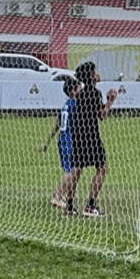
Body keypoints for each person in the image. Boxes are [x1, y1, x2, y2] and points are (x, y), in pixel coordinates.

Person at [59, 62, 117, 217]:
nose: (98, 73)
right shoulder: (94, 93)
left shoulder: (80, 94)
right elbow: (102, 115)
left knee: (76, 169)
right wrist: (110, 101)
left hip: (77, 135)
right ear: (92, 76)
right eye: (95, 71)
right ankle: (90, 206)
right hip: (91, 135)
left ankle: (69, 207)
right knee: (102, 168)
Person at [42, 78, 82, 209]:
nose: (81, 89)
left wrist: (47, 142)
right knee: (70, 170)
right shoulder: (75, 105)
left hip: (62, 139)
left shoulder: (65, 105)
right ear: (73, 91)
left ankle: (61, 195)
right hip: (69, 140)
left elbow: (57, 124)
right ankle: (58, 197)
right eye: (79, 87)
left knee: (73, 169)